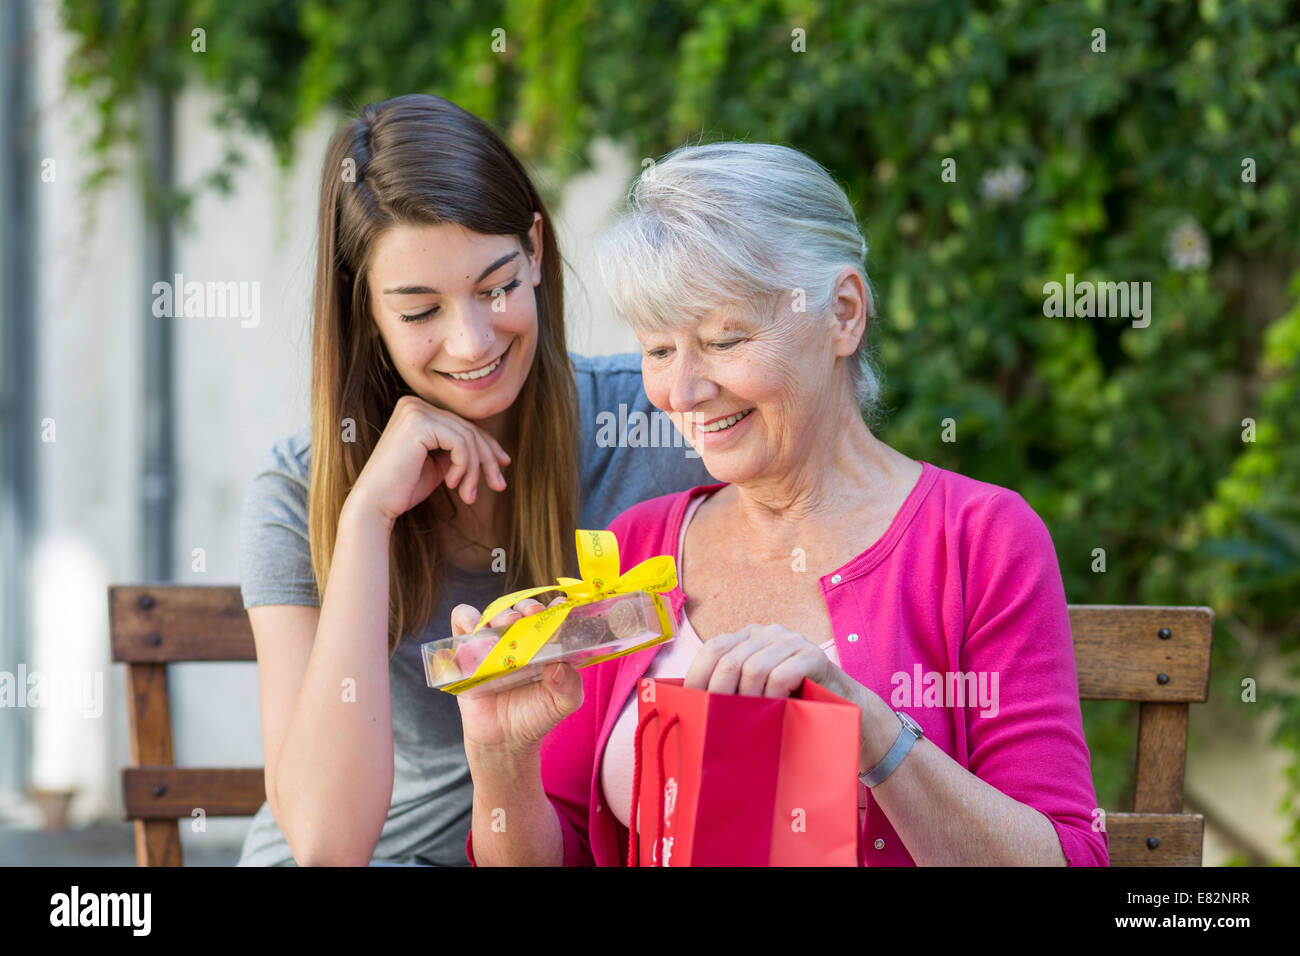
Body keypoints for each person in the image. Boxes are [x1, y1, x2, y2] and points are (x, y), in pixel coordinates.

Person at [455, 141, 1108, 866]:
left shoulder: (978, 539)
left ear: (844, 314)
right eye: (660, 349)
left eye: (724, 339)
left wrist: (869, 730)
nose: (685, 390)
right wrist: (502, 760)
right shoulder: (635, 549)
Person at [235, 94, 712, 866]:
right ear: (368, 314)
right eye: (421, 310)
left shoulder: (658, 425)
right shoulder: (297, 493)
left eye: (494, 287)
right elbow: (327, 843)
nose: (473, 340)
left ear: (534, 249)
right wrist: (365, 520)